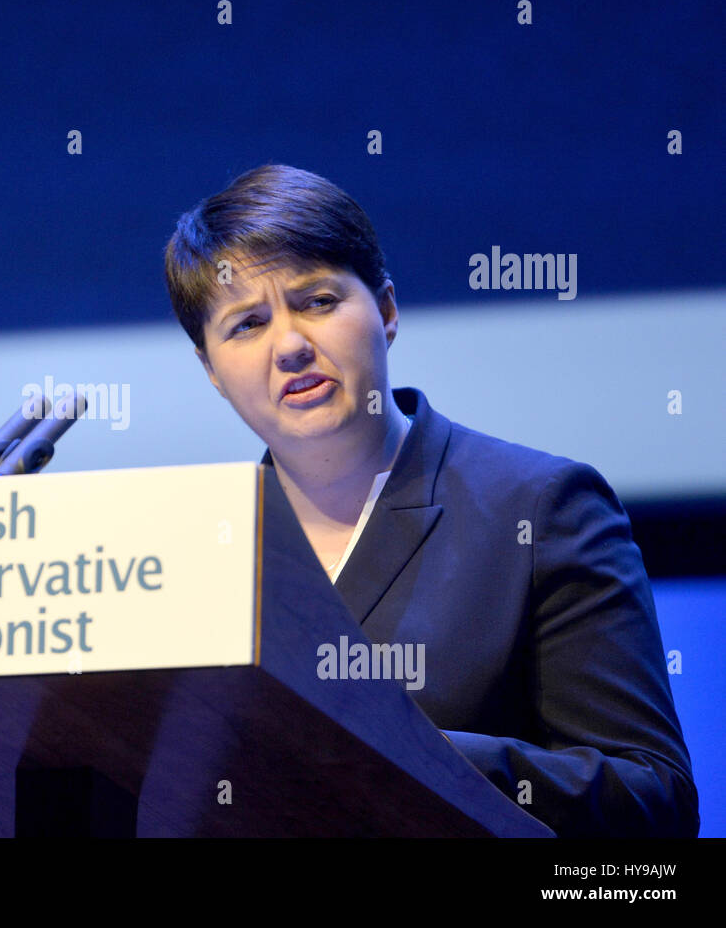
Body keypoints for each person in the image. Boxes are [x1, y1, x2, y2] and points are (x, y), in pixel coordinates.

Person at [163, 164, 698, 837]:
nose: (292, 346)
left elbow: (656, 801)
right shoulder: (198, 556)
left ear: (386, 311)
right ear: (212, 370)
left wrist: (411, 754)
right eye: (247, 323)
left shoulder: (542, 508)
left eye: (318, 301)